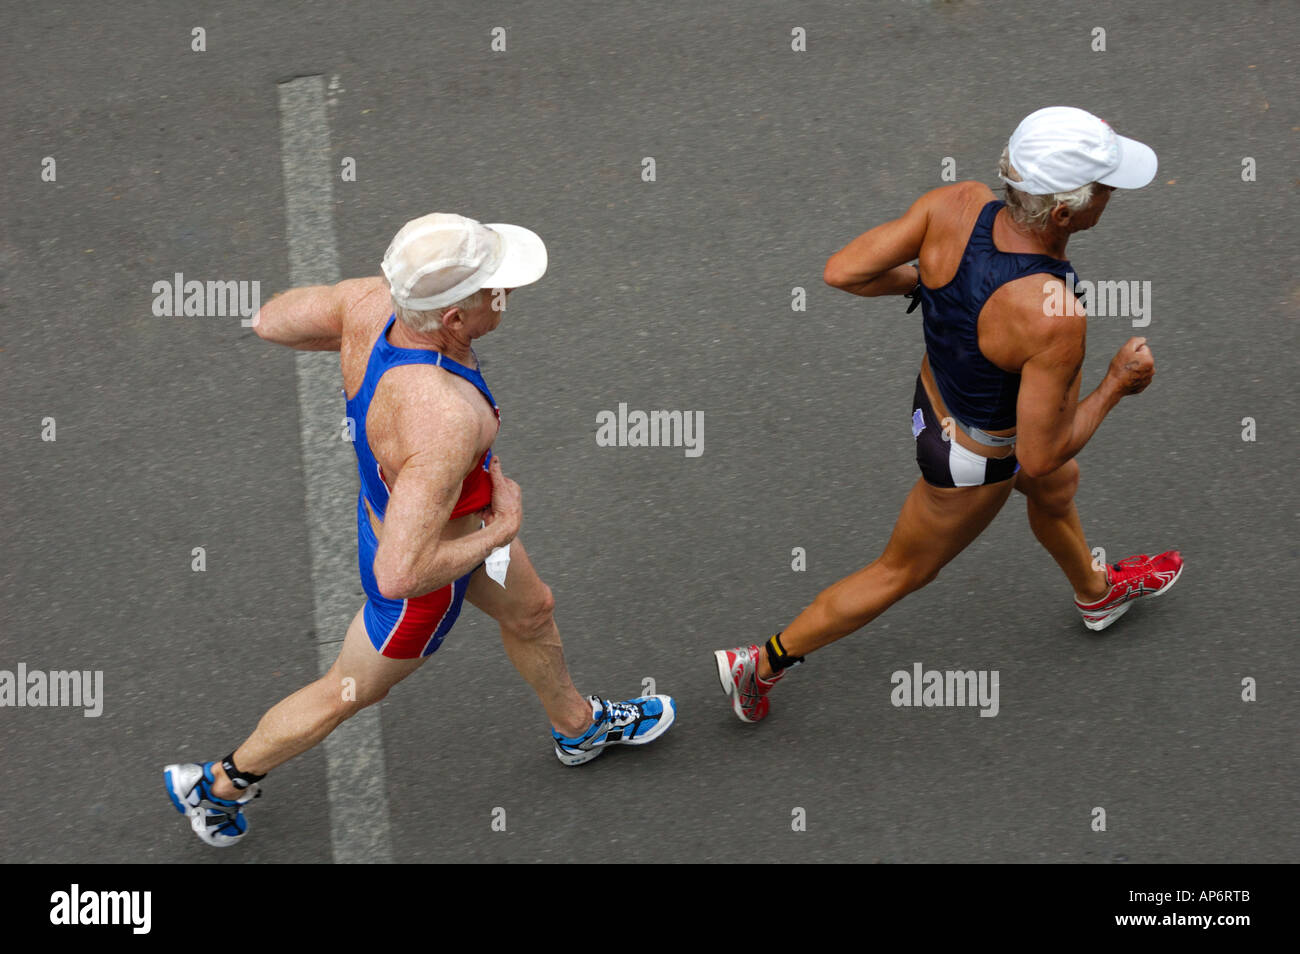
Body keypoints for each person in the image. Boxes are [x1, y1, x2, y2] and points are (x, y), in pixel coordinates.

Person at [165, 213, 675, 846]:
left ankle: (577, 729)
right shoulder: (441, 418)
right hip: (424, 576)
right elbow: (401, 574)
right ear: (453, 320)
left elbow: (271, 321)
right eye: (494, 290)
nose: (505, 296)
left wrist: (354, 346)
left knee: (533, 611)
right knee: (344, 692)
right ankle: (218, 784)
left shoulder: (371, 301)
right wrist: (501, 527)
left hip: (412, 511)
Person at [715, 107, 1183, 723]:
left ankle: (1096, 595)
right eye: (1106, 186)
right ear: (1064, 212)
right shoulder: (1053, 316)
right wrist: (1118, 384)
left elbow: (843, 272)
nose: (1114, 193)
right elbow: (1041, 448)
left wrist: (928, 284)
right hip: (971, 457)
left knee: (1054, 487)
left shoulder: (957, 202)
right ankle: (764, 661)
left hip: (935, 398)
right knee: (900, 570)